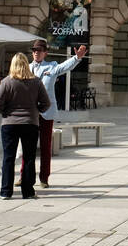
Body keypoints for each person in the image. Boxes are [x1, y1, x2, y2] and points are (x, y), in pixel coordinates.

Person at [29, 39, 88, 189]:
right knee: (27, 146)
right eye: (34, 50)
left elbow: (64, 67)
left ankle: (44, 177)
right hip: (30, 113)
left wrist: (77, 58)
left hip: (46, 112)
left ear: (45, 53)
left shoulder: (52, 66)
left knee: (46, 146)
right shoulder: (26, 68)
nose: (36, 52)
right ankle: (25, 175)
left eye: (39, 50)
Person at [0, 54, 51, 200]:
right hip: (30, 123)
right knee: (29, 157)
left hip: (9, 124)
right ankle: (28, 191)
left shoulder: (6, 82)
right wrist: (36, 111)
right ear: (27, 64)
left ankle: (6, 191)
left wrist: (6, 112)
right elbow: (46, 103)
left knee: (8, 157)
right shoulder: (36, 82)